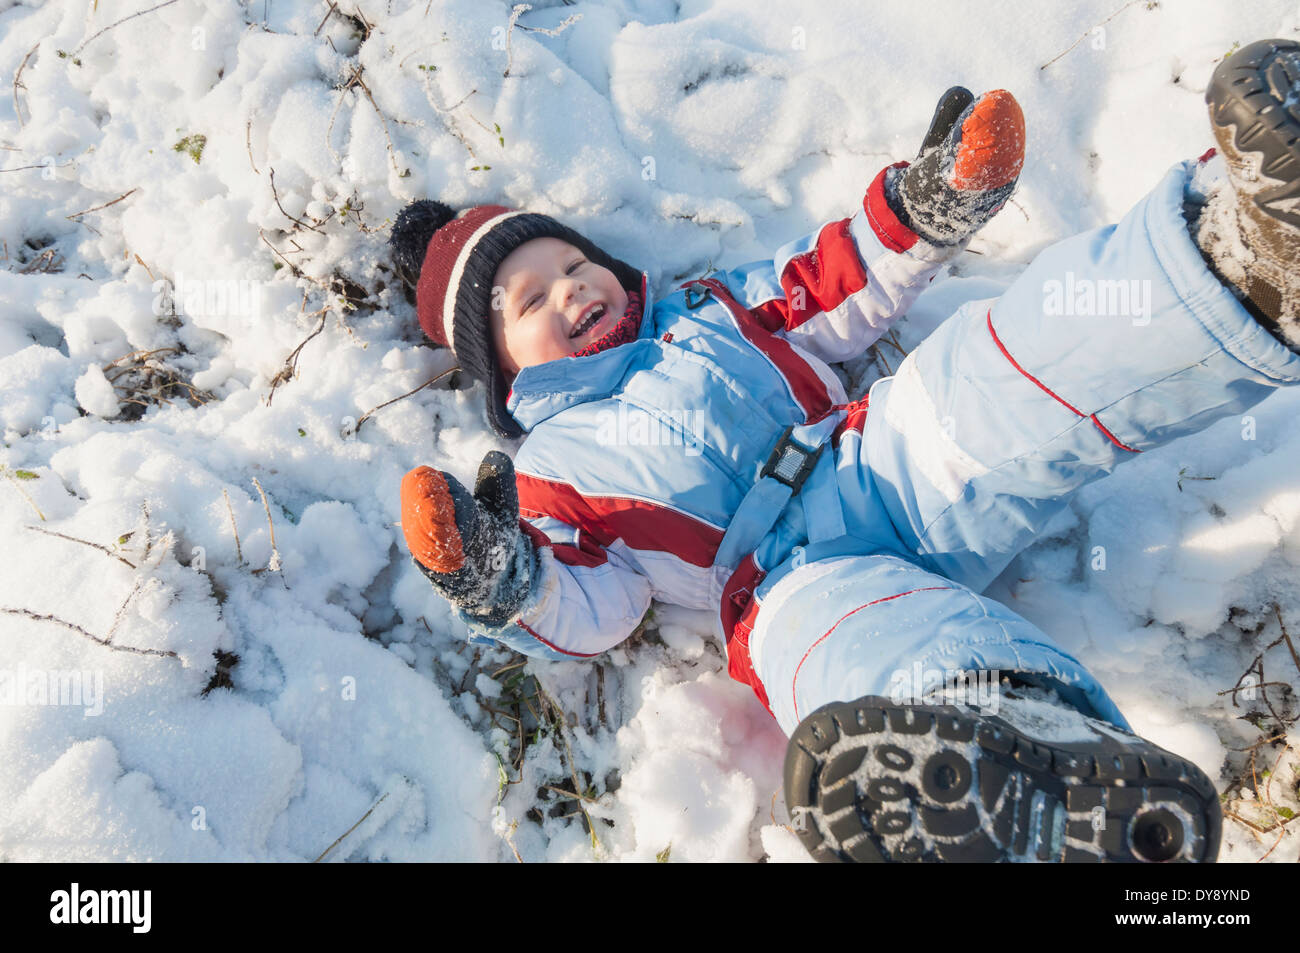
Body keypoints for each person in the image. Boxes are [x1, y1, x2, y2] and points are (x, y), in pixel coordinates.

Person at [389, 39, 1300, 862]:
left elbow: (834, 280)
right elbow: (594, 604)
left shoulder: (708, 308)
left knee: (1001, 370)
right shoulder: (553, 468)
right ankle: (1011, 756)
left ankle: (1236, 259)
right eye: (530, 300)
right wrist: (506, 579)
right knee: (857, 647)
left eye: (570, 263)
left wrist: (923, 208)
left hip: (875, 460)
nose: (569, 289)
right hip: (779, 580)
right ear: (503, 373)